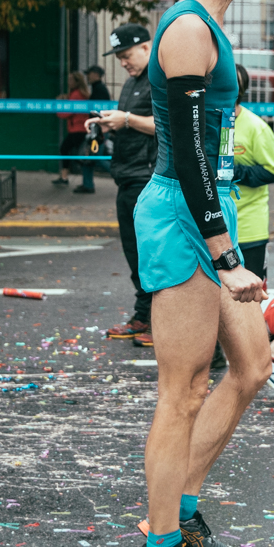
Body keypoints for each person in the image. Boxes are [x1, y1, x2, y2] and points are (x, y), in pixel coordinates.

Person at [129, 0, 273, 547]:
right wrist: (223, 254)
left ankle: (180, 510)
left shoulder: (205, 27)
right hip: (183, 218)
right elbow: (187, 156)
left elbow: (192, 140)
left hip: (205, 214)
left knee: (252, 367)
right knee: (182, 389)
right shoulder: (187, 30)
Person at [91, 24, 157, 345]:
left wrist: (126, 120)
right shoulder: (131, 83)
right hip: (126, 177)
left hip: (146, 179)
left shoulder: (160, 79)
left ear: (146, 47)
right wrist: (109, 124)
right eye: (118, 57)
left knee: (151, 255)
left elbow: (166, 124)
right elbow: (131, 123)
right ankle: (144, 316)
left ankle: (157, 322)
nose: (123, 63)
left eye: (126, 55)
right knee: (135, 255)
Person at [232, 78, 274, 282]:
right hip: (211, 228)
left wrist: (232, 172)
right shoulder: (204, 123)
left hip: (248, 228)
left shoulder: (256, 127)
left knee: (252, 296)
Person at [55, 70, 95, 193]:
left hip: (77, 129)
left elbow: (67, 113)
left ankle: (65, 177)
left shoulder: (76, 95)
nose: (69, 82)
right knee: (82, 155)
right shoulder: (80, 94)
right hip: (80, 128)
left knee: (67, 150)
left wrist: (57, 106)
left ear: (77, 82)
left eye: (71, 80)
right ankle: (82, 181)